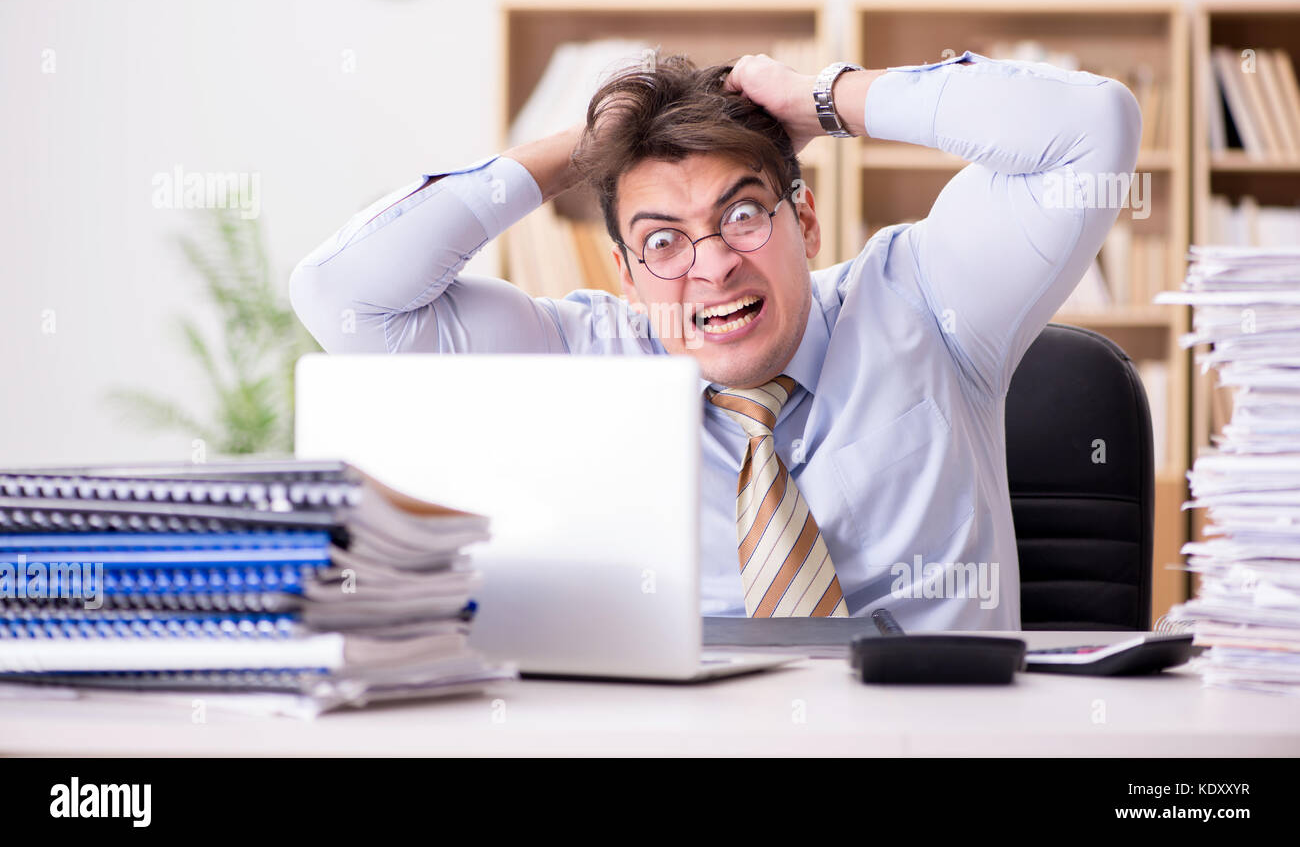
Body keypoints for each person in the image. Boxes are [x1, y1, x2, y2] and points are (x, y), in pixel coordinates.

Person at [290, 49, 1141, 629]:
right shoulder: (584, 360)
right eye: (663, 240)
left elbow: (1092, 130)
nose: (713, 267)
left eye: (740, 215)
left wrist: (825, 98)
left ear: (802, 219)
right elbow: (345, 296)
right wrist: (584, 153)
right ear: (625, 272)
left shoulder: (928, 300)